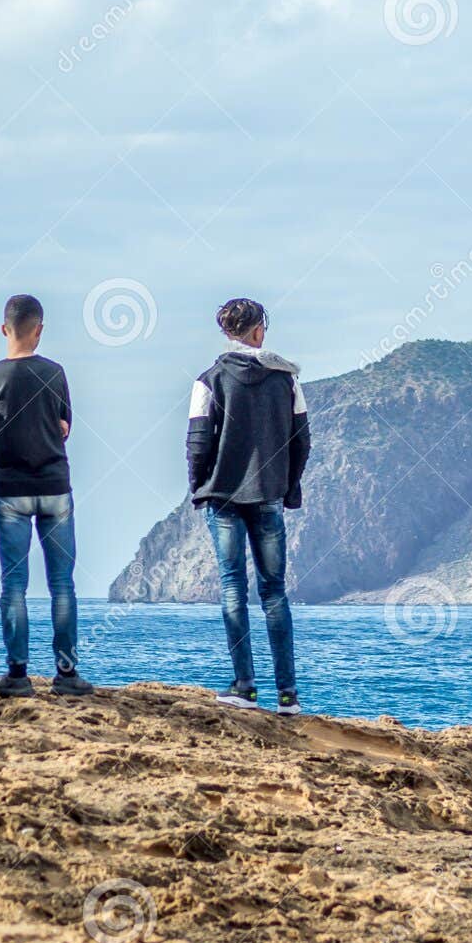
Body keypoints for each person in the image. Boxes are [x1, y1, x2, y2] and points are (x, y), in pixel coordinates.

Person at [186, 297, 309, 715]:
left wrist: (198, 486)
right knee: (274, 592)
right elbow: (302, 441)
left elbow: (197, 441)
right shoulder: (287, 380)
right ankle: (288, 696)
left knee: (232, 588)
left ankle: (244, 686)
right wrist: (288, 487)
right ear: (259, 331)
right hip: (269, 495)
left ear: (228, 333)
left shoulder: (208, 380)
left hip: (222, 497)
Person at [0, 294, 92, 699]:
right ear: (39, 329)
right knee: (62, 584)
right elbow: (65, 426)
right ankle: (67, 674)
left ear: (4, 328)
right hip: (55, 486)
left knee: (14, 585)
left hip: (10, 489)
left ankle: (18, 675)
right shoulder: (55, 373)